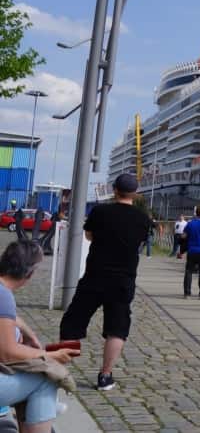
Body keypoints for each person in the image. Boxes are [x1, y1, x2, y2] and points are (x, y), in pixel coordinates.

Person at [58, 174, 152, 391]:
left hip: (95, 275)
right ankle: (105, 376)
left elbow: (89, 235)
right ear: (135, 194)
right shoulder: (143, 218)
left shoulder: (100, 211)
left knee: (73, 321)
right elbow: (139, 242)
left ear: (114, 189)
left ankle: (59, 370)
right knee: (117, 328)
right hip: (123, 279)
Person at [0, 240, 80, 432]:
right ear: (29, 273)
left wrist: (30, 335)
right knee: (46, 377)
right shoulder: (3, 295)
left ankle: (41, 414)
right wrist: (51, 356)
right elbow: (7, 352)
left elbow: (9, 319)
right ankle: (40, 420)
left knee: (33, 371)